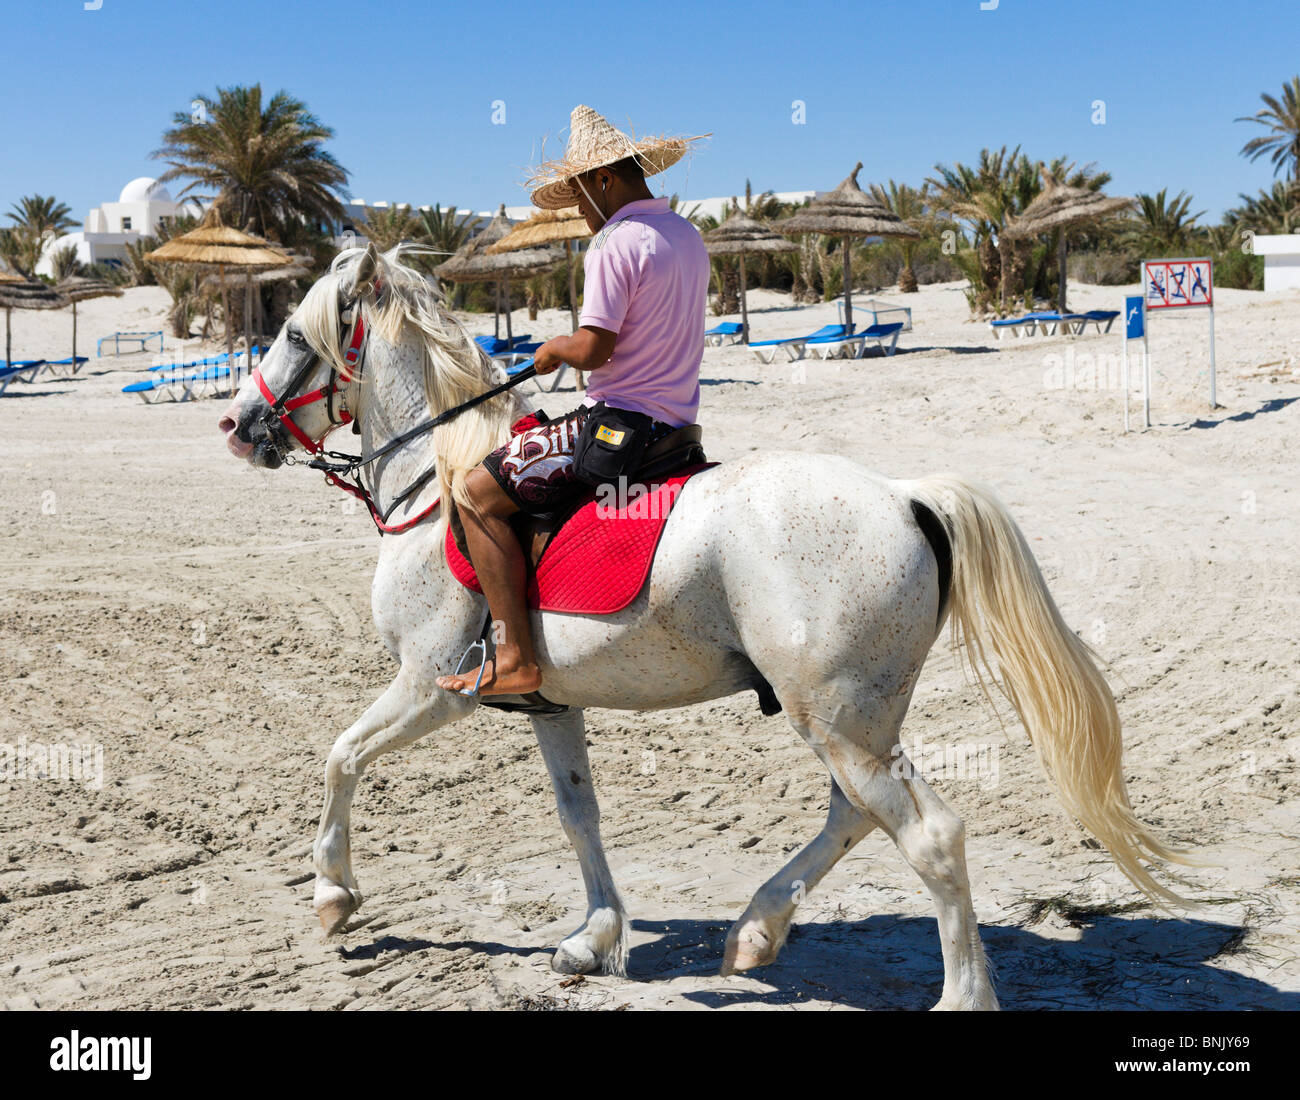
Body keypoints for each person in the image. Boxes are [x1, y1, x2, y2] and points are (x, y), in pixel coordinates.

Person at [436, 105, 708, 698]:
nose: (583, 215)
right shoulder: (686, 235)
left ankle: (514, 658)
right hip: (680, 426)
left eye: (582, 200)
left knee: (475, 494)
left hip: (620, 426)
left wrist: (555, 347)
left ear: (604, 180)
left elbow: (594, 349)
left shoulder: (617, 242)